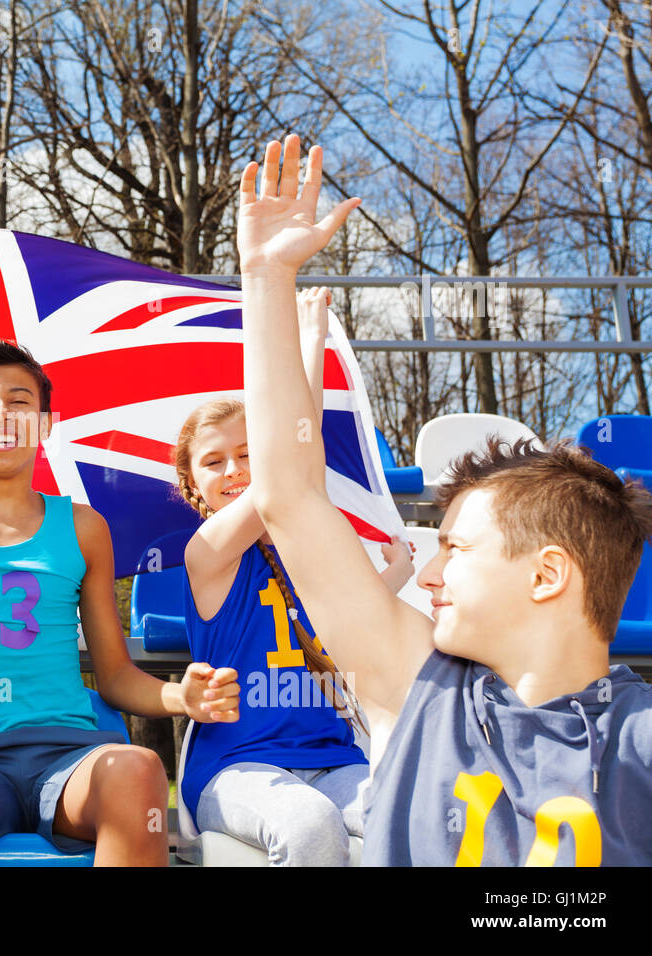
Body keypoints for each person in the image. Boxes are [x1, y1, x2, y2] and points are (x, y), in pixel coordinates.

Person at [237, 134, 652, 865]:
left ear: (546, 574)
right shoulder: (416, 686)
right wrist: (268, 275)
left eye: (455, 549)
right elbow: (290, 495)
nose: (428, 573)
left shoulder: (642, 741)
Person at [0, 339, 241, 866]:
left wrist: (182, 699)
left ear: (46, 424)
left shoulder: (83, 528)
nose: (2, 414)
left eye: (20, 401)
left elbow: (116, 676)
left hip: (71, 758)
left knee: (140, 768)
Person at [171, 286, 414, 865]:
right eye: (214, 461)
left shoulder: (312, 551)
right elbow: (292, 466)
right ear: (191, 486)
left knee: (417, 807)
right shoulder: (207, 552)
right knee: (310, 826)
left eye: (248, 453)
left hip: (334, 760)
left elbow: (331, 628)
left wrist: (394, 580)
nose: (234, 469)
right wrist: (305, 344)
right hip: (238, 768)